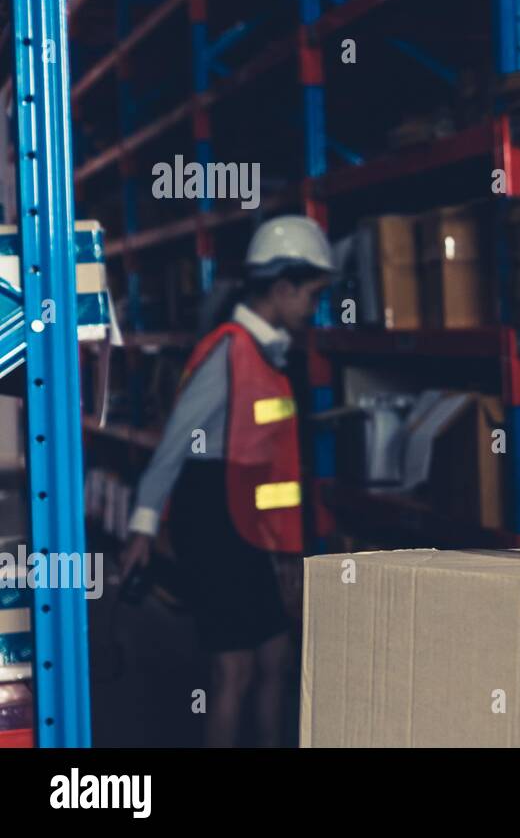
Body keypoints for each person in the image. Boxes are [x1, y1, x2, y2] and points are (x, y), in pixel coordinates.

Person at [120, 215, 333, 747]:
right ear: (282, 289)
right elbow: (174, 442)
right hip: (214, 522)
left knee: (275, 658)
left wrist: (284, 549)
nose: (315, 309)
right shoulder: (227, 353)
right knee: (233, 671)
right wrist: (144, 526)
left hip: (249, 525)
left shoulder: (269, 354)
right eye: (312, 295)